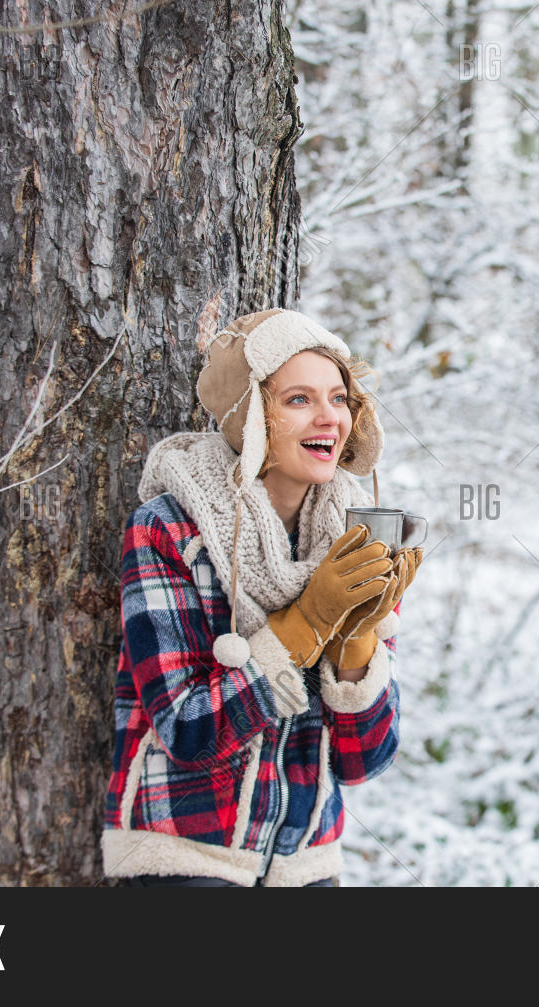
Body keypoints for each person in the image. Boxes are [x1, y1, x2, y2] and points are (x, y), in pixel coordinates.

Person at [100, 307, 423, 887]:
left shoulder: (351, 540)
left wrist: (355, 636)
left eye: (339, 398)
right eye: (298, 399)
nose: (330, 417)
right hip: (185, 859)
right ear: (251, 415)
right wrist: (306, 621)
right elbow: (188, 731)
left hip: (305, 866)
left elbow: (361, 760)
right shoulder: (170, 530)